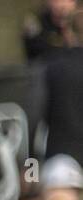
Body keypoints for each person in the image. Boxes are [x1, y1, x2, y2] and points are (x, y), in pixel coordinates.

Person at [38, 11, 83, 167]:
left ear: (66, 31)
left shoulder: (50, 67)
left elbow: (36, 118)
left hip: (61, 160)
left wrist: (32, 170)